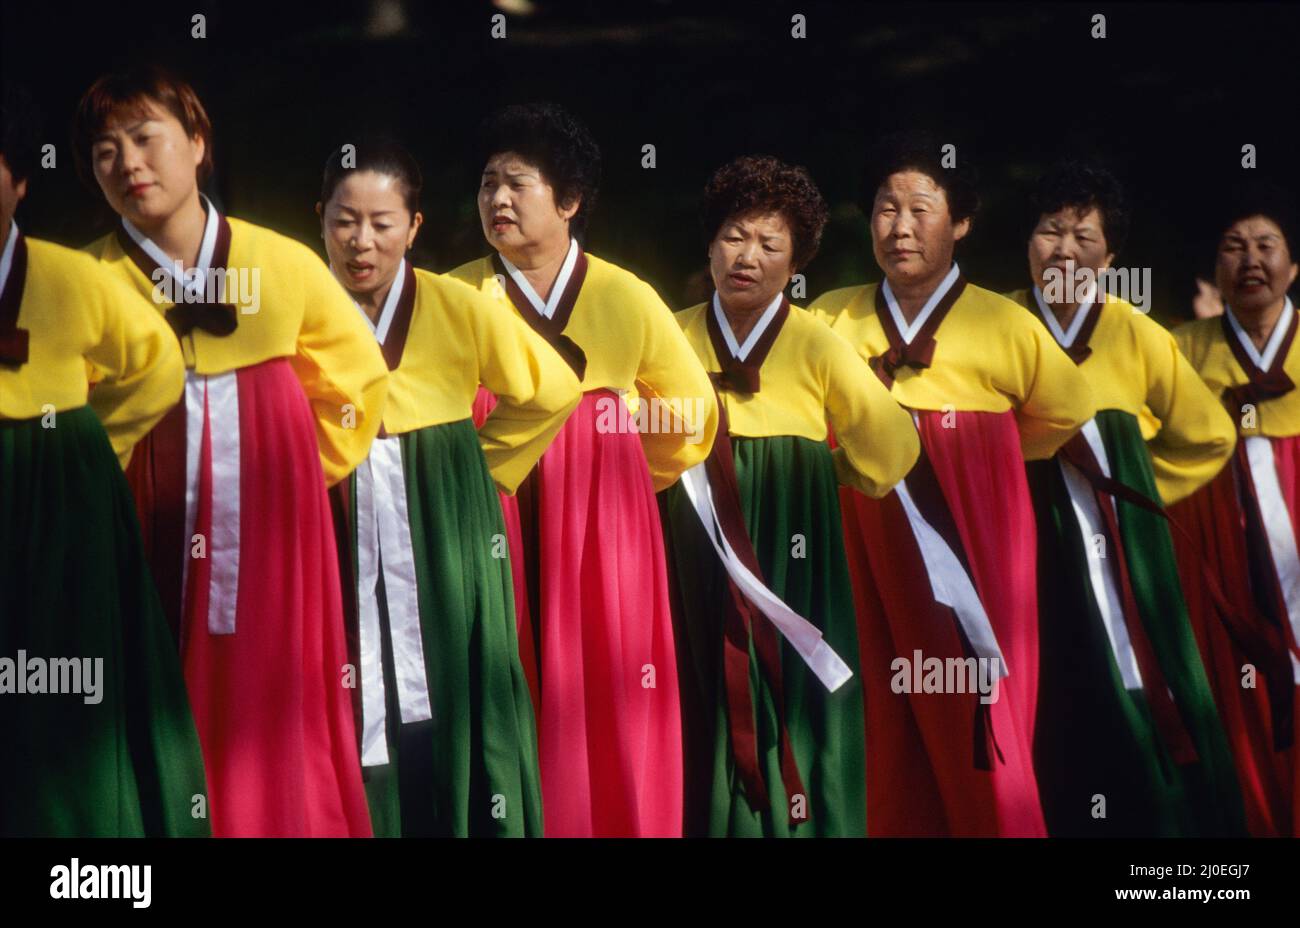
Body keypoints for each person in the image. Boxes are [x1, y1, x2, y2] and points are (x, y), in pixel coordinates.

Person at [75, 66, 387, 837]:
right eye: (105, 150)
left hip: (273, 536)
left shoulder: (282, 264)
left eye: (146, 138)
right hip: (138, 531)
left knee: (275, 701)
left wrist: (289, 478)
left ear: (199, 144)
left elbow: (357, 381)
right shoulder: (83, 280)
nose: (128, 163)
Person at [809, 131, 1094, 836]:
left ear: (961, 222)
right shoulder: (826, 318)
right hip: (863, 526)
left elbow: (1064, 413)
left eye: (921, 209)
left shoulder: (1007, 322)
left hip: (974, 532)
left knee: (980, 700)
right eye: (884, 208)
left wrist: (978, 454)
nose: (900, 227)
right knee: (879, 701)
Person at [448, 103, 718, 837]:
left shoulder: (624, 294)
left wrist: (620, 471)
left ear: (569, 201)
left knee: (608, 679)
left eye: (517, 184)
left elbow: (691, 413)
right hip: (486, 509)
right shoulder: (453, 294)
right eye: (485, 185)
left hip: (603, 516)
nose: (497, 200)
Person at [318, 138, 581, 836]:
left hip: (446, 526)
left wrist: (478, 469)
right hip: (333, 520)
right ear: (321, 221)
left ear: (414, 226)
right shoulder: (299, 312)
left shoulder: (459, 306)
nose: (362, 241)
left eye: (383, 223)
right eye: (346, 221)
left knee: (460, 683)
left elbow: (553, 390)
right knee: (346, 681)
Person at [660, 155, 918, 836]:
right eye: (733, 236)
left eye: (770, 245)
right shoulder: (669, 335)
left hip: (792, 542)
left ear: (796, 261)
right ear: (709, 243)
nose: (747, 257)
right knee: (700, 684)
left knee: (799, 695)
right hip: (693, 536)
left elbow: (891, 446)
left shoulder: (816, 342)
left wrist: (820, 479)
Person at [1005, 160, 1244, 836]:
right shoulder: (998, 322)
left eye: (1085, 238)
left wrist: (1136, 497)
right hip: (1030, 541)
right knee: (1051, 679)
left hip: (1125, 547)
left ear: (1110, 257)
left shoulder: (1138, 333)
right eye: (1052, 232)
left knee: (1146, 672)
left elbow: (1208, 436)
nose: (1065, 250)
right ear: (1028, 242)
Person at [0, 84, 208, 837]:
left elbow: (154, 366)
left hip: (59, 495)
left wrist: (91, 450)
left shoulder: (73, 277)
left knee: (72, 696)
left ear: (20, 180)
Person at [1168, 179, 1300, 837]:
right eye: (1233, 246)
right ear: (1217, 270)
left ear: (1293, 265)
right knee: (1234, 703)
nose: (1250, 259)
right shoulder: (1180, 351)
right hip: (1217, 557)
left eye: (1266, 245)